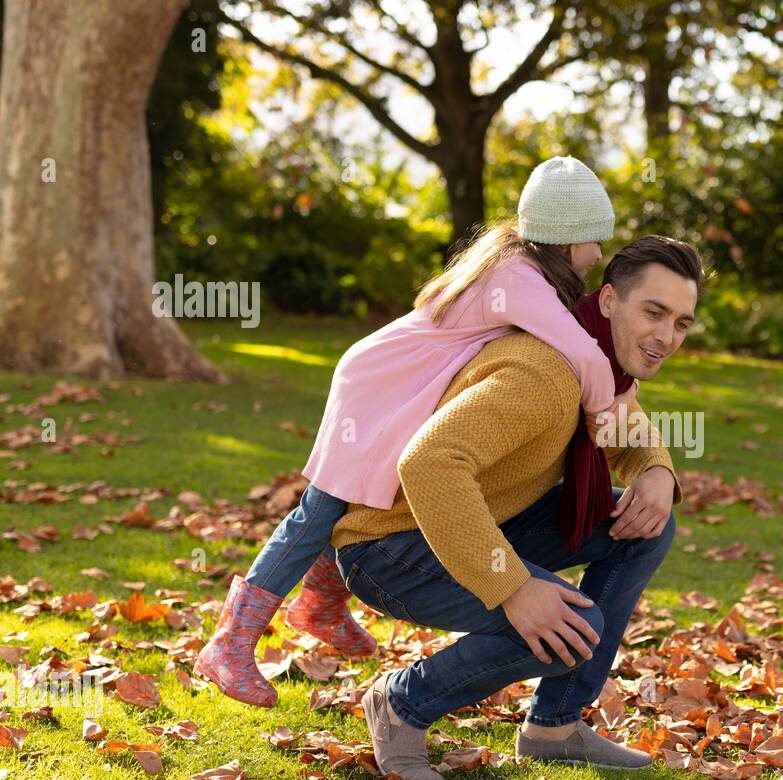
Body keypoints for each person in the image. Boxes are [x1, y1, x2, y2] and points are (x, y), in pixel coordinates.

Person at [195, 157, 634, 707]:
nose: (597, 255)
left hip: (402, 381)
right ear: (567, 238)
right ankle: (231, 644)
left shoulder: (515, 265)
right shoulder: (518, 278)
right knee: (323, 508)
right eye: (594, 241)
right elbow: (579, 353)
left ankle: (319, 606)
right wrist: (604, 409)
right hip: (381, 383)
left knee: (362, 496)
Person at [334, 236, 705, 780]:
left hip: (487, 517)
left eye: (681, 323)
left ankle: (553, 728)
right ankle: (401, 704)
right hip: (389, 544)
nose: (665, 337)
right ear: (607, 301)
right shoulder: (545, 373)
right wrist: (513, 587)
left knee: (647, 528)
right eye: (654, 312)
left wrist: (653, 468)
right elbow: (430, 465)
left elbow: (617, 422)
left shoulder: (597, 362)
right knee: (571, 628)